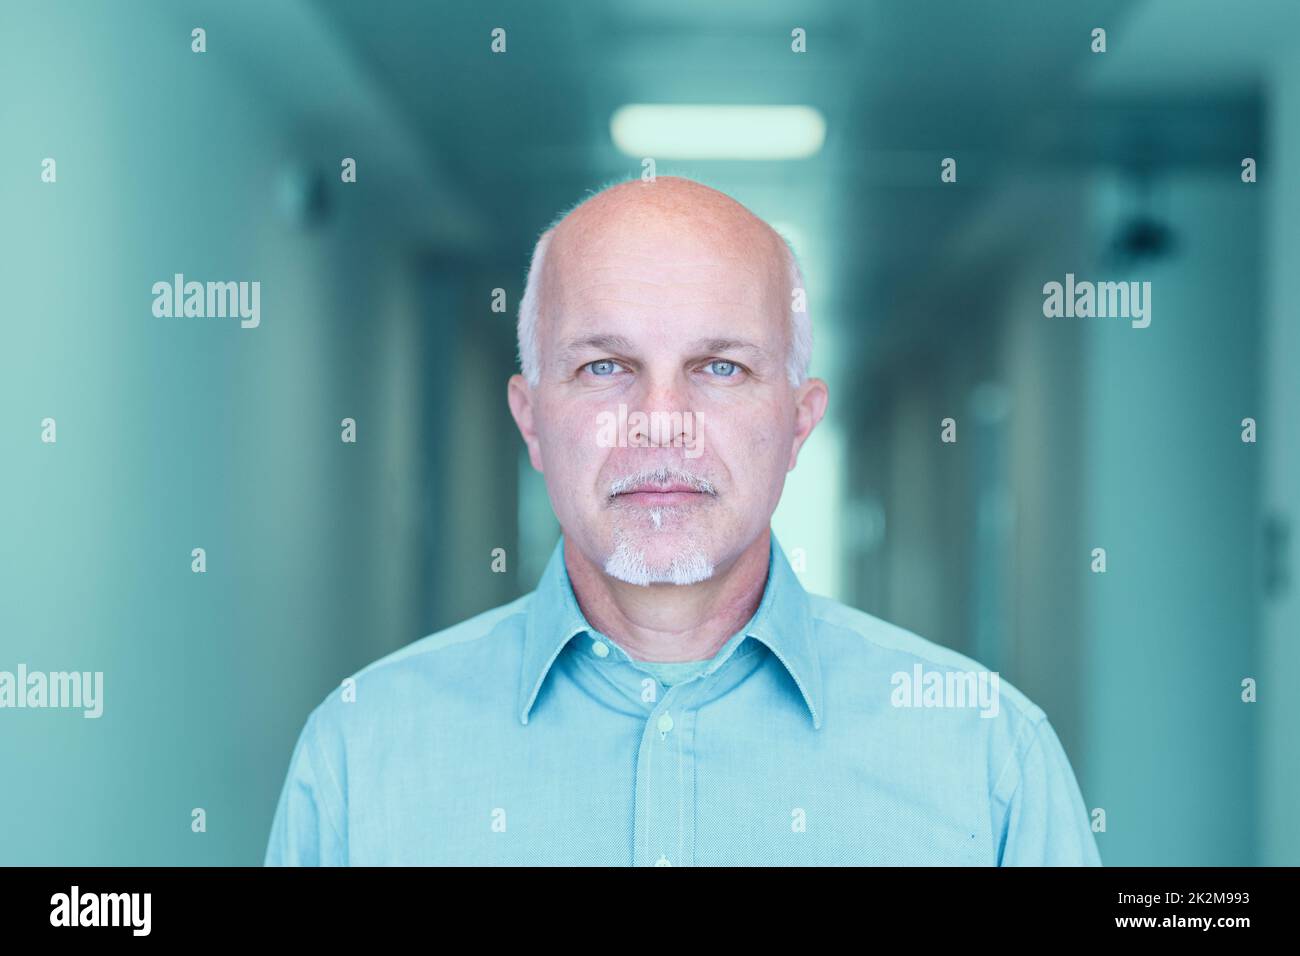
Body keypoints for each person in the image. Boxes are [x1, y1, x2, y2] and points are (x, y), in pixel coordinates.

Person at [265, 175, 1101, 866]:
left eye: (721, 368)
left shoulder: (988, 760)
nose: (662, 422)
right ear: (530, 420)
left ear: (800, 422)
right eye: (603, 366)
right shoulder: (359, 755)